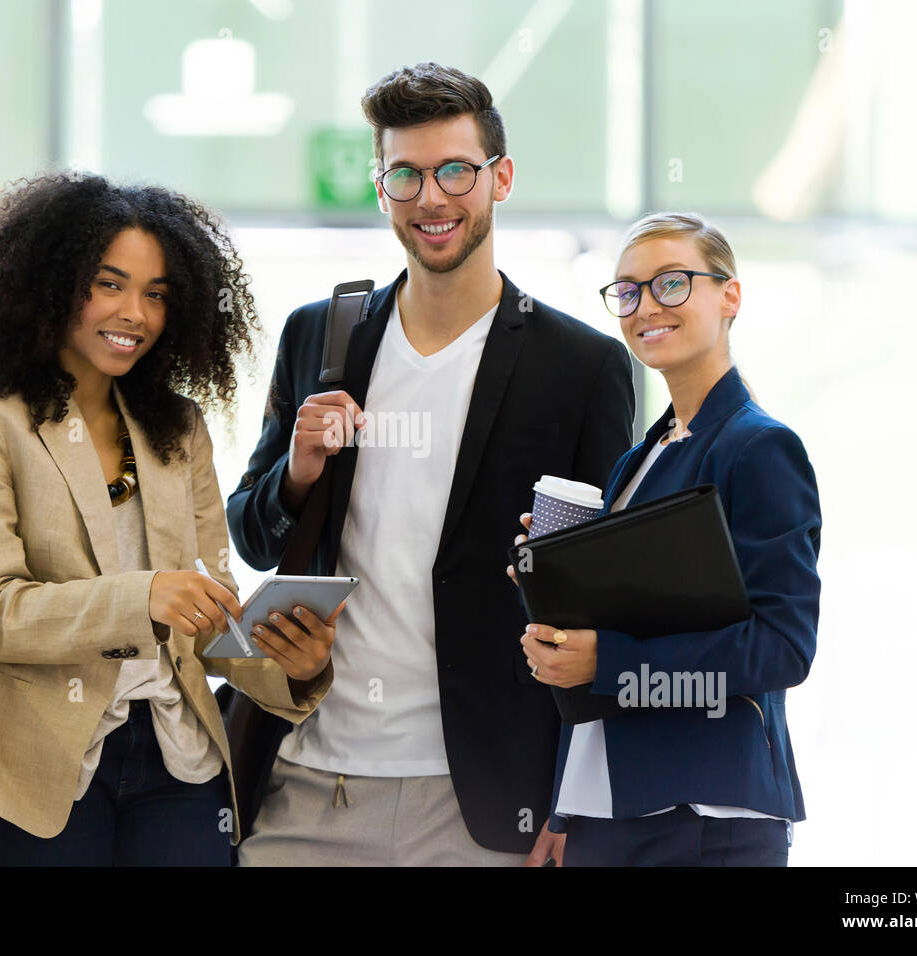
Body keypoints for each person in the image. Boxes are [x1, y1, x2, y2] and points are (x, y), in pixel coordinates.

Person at [227, 63, 634, 866]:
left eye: (455, 169)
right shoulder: (320, 335)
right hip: (310, 776)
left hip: (480, 798)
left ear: (500, 177)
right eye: (404, 174)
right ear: (380, 188)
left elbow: (607, 599)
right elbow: (253, 533)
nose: (431, 198)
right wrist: (300, 471)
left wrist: (574, 797)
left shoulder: (581, 366)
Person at [0, 172, 339, 866]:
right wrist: (145, 597)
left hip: (178, 759)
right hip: (45, 771)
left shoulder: (178, 428)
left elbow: (209, 615)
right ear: (52, 283)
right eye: (109, 284)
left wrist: (289, 668)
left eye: (156, 294)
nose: (135, 314)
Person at [511, 211, 821, 866]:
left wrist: (609, 663)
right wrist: (553, 582)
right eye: (627, 291)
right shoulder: (638, 461)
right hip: (613, 810)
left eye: (671, 283)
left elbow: (782, 648)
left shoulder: (759, 449)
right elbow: (626, 629)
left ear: (729, 295)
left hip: (703, 817)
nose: (646, 304)